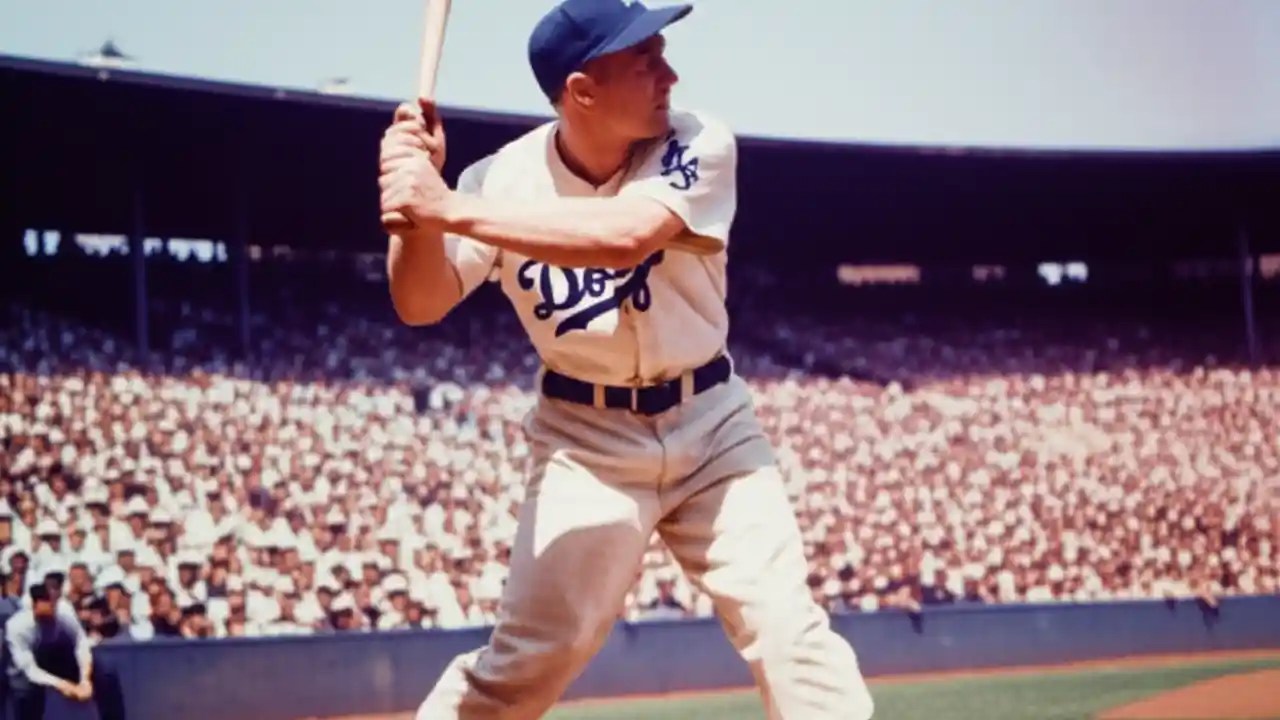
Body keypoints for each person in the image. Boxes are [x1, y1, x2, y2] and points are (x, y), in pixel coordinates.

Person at [378, 0, 876, 717]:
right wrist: (416, 216)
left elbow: (625, 237)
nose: (670, 75)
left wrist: (446, 207)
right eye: (645, 61)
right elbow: (420, 302)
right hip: (586, 443)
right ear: (582, 91)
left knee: (787, 629)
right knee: (531, 660)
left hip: (712, 426)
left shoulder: (698, 140)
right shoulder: (499, 180)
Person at [4, 583, 96, 720]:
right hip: (24, 673)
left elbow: (81, 642)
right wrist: (63, 685)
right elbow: (30, 670)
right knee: (24, 692)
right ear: (34, 606)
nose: (48, 619)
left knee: (102, 670)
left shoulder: (64, 615)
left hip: (56, 659)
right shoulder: (17, 627)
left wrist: (85, 679)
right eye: (44, 616)